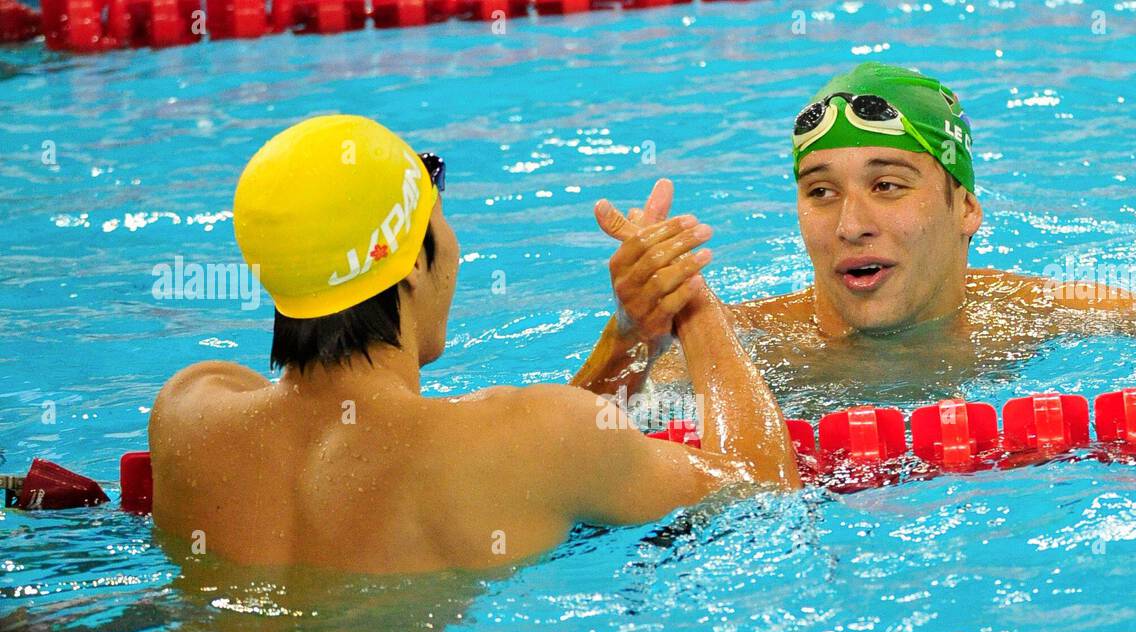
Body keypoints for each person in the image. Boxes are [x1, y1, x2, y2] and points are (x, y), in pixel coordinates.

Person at [148, 115, 798, 574]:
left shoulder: (188, 413)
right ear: (410, 261)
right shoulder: (526, 438)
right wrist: (690, 300)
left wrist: (631, 335)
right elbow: (764, 488)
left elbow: (548, 462)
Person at [571, 62, 1136, 402]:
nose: (851, 225)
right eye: (820, 192)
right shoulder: (747, 344)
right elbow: (563, 447)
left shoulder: (1039, 314)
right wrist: (630, 333)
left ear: (966, 208)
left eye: (888, 185)